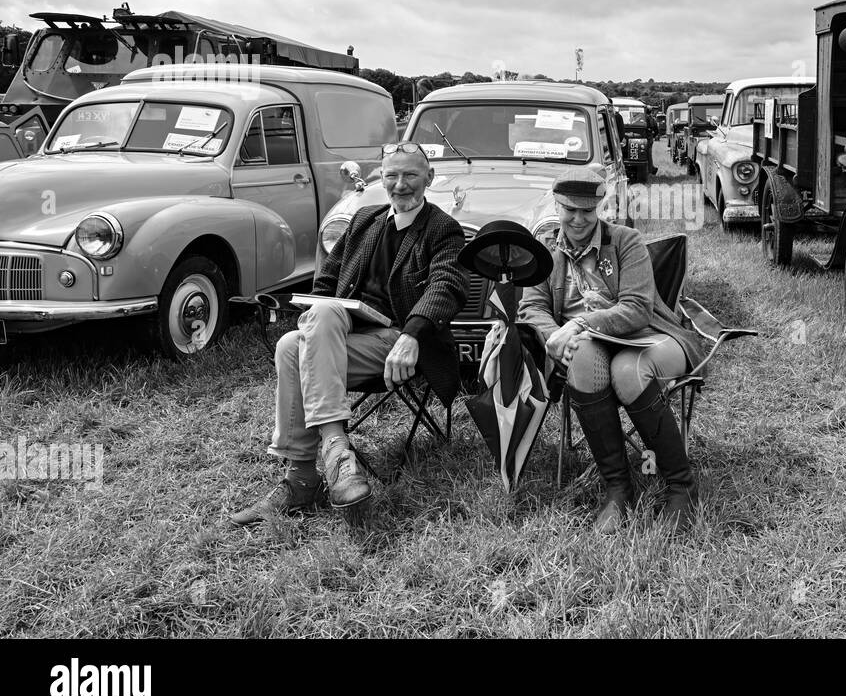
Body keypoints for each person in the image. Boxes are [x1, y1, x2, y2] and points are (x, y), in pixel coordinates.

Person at [230, 142, 468, 526]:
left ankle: (306, 477)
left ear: (430, 178)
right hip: (347, 333)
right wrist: (314, 309)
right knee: (295, 341)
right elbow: (325, 281)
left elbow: (448, 285)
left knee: (296, 346)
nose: (401, 184)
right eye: (392, 175)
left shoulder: (442, 228)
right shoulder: (364, 221)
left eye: (410, 175)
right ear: (381, 179)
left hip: (399, 340)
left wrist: (412, 335)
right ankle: (331, 458)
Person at [519, 168, 704, 533]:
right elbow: (531, 308)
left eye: (587, 211)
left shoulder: (625, 241)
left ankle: (681, 485)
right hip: (586, 346)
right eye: (569, 209)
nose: (577, 219)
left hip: (651, 337)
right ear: (556, 205)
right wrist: (554, 334)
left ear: (601, 206)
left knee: (626, 370)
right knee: (583, 358)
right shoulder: (544, 251)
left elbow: (637, 308)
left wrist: (579, 324)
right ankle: (618, 488)